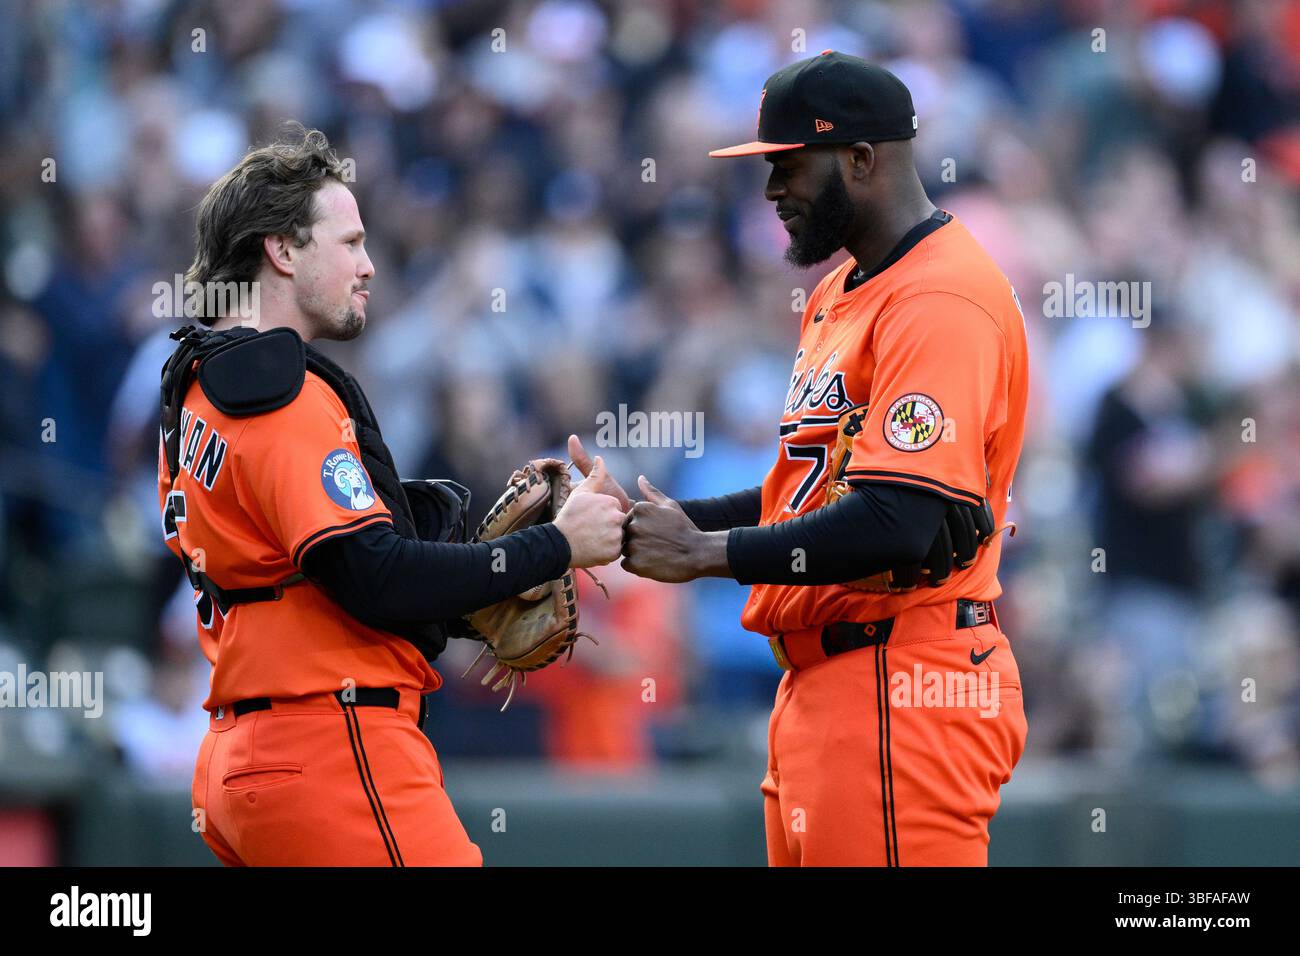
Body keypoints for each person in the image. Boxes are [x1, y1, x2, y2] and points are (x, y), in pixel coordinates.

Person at [587, 52, 1031, 866]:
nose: (771, 192)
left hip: (905, 684)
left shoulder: (941, 299)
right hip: (829, 689)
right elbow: (807, 494)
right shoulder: (840, 292)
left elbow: (898, 523)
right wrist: (657, 524)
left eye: (789, 167)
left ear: (861, 160)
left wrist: (706, 555)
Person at [158, 126, 624, 866]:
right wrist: (555, 547)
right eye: (348, 242)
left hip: (243, 757)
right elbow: (374, 575)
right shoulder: (280, 392)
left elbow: (331, 581)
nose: (369, 265)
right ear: (282, 250)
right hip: (331, 746)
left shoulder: (200, 390)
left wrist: (481, 579)